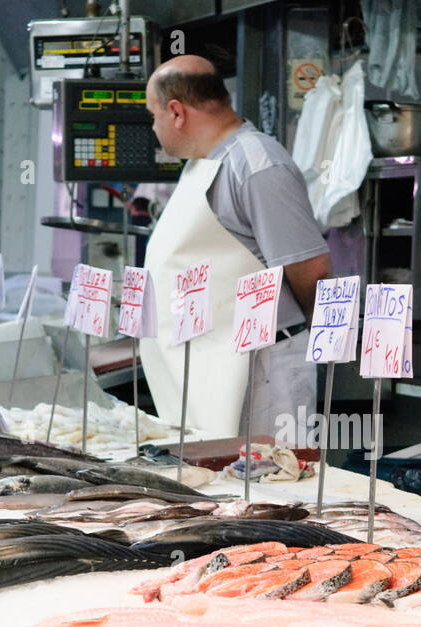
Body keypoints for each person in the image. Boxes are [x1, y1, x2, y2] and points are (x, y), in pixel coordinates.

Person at [138, 54, 331, 438]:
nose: (154, 127)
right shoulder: (204, 164)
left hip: (264, 371)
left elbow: (313, 273)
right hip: (214, 361)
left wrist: (318, 350)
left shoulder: (257, 165)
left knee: (273, 475)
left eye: (153, 115)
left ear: (176, 112)